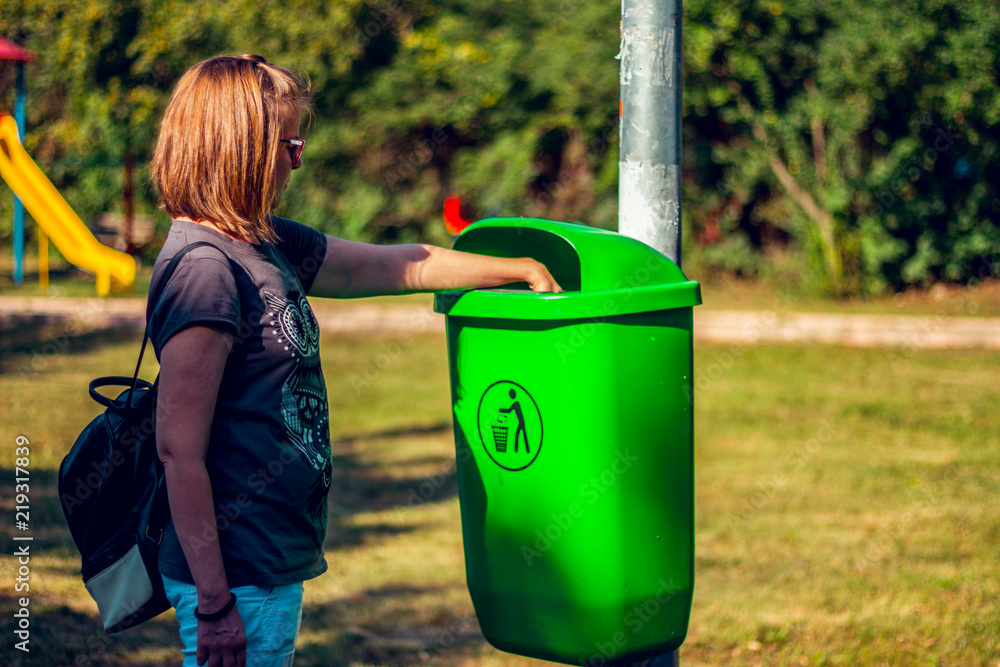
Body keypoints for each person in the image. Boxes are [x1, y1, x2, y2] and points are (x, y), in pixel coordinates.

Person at [148, 54, 561, 667]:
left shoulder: (261, 239)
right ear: (239, 147)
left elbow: (398, 263)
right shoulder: (207, 268)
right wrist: (214, 604)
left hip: (268, 559)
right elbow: (179, 451)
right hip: (239, 571)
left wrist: (517, 269)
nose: (299, 155)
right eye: (286, 140)